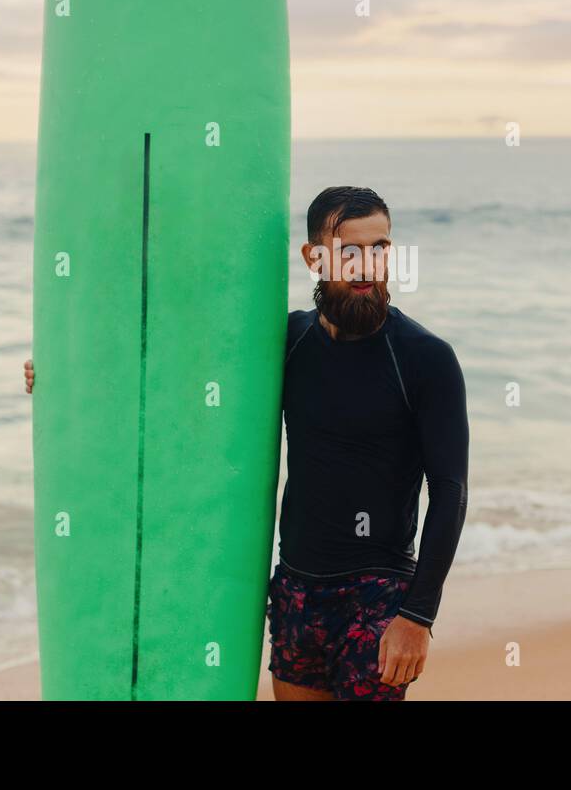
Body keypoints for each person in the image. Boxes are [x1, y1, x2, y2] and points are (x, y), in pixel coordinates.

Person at [25, 185, 469, 701]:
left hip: (378, 591)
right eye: (350, 251)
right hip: (296, 588)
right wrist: (61, 376)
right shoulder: (287, 343)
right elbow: (178, 380)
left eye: (380, 248)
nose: (368, 266)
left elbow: (450, 491)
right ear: (314, 258)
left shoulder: (424, 358)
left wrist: (417, 615)